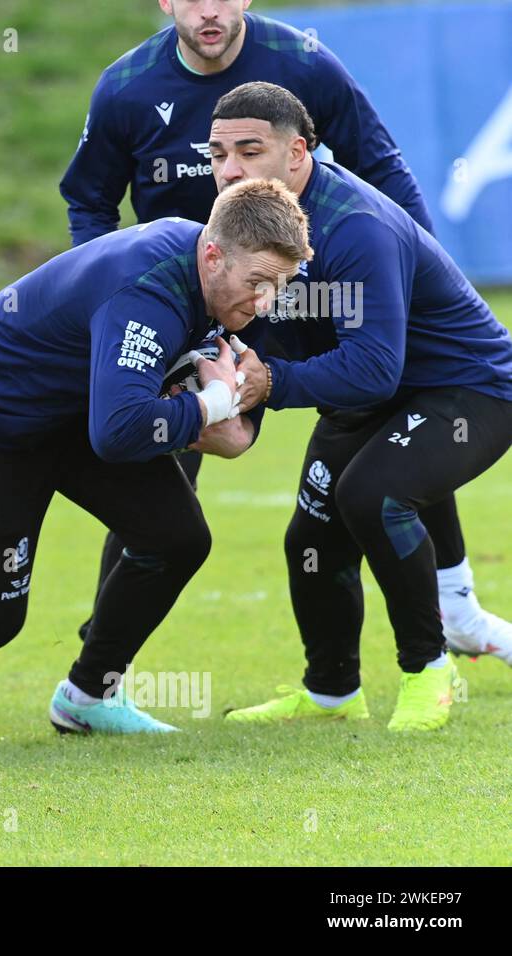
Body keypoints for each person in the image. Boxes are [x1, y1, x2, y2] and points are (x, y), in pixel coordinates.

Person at [61, 0, 510, 655]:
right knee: (159, 463)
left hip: (295, 299)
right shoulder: (127, 88)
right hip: (184, 311)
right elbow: (90, 200)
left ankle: (453, 609)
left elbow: (380, 165)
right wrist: (110, 301)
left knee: (395, 425)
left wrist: (413, 279)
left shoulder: (303, 62)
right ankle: (101, 666)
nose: (207, 10)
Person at [0, 179, 310, 734]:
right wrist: (213, 403)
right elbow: (118, 433)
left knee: (176, 539)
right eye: (258, 285)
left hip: (70, 417)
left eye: (278, 289)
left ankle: (88, 697)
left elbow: (236, 389)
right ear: (212, 256)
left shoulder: (227, 275)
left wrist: (233, 415)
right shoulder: (149, 295)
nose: (265, 303)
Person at [203, 83, 512, 729]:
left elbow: (373, 368)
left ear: (298, 153)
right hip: (375, 392)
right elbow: (263, 329)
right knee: (309, 542)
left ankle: (429, 669)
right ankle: (331, 694)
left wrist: (270, 385)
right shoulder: (244, 219)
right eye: (218, 153)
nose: (230, 169)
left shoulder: (357, 228)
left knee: (374, 497)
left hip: (468, 389)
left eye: (249, 150)